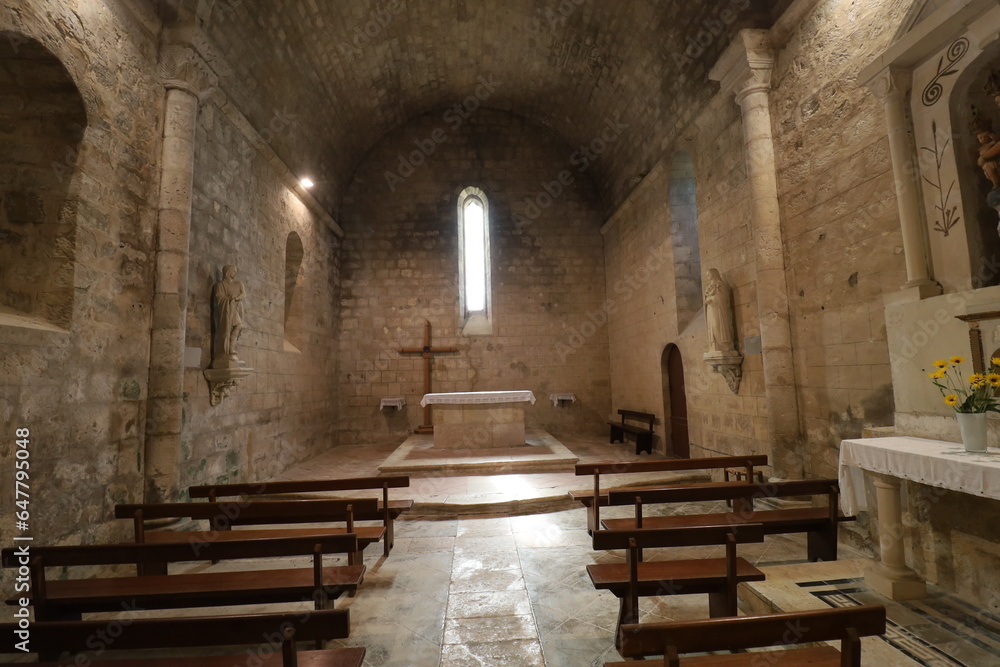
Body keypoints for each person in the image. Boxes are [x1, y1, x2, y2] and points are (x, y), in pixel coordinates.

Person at [213, 264, 245, 363]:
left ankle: (231, 348)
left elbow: (243, 294)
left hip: (236, 308)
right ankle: (228, 350)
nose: (234, 273)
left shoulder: (238, 283)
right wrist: (228, 299)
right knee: (233, 327)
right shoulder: (220, 285)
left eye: (235, 272)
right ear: (227, 272)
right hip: (228, 309)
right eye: (232, 271)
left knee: (239, 326)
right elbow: (219, 297)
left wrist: (236, 297)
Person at [704, 268, 735, 354]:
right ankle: (716, 346)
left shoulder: (721, 285)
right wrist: (708, 299)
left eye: (709, 274)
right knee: (712, 327)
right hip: (711, 310)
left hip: (719, 310)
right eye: (707, 275)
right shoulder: (709, 287)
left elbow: (724, 298)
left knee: (717, 325)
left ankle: (725, 346)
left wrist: (712, 298)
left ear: (714, 274)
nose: (707, 276)